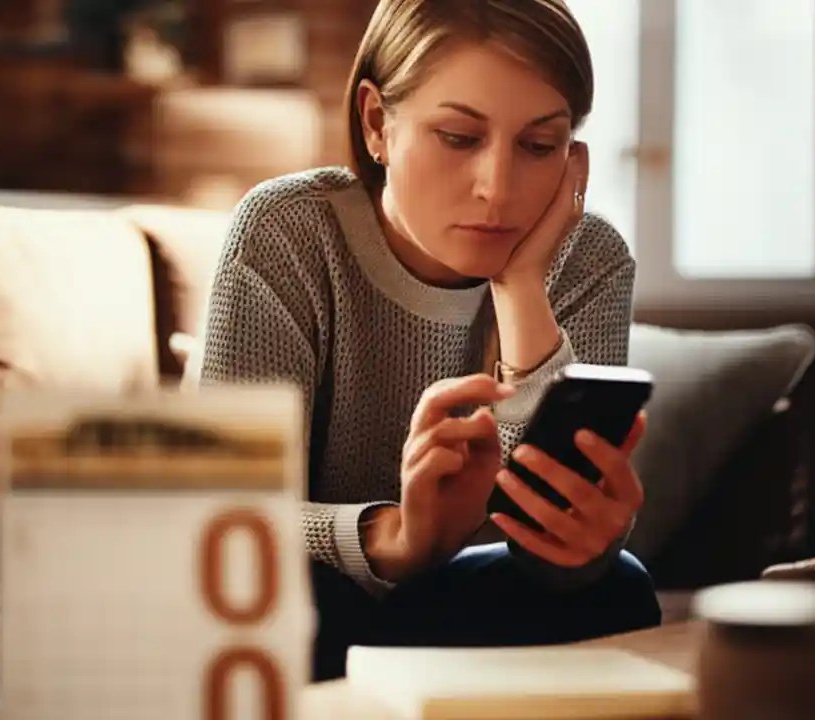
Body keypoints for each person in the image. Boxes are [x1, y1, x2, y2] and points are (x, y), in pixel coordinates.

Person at [195, 0, 661, 680]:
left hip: (461, 609)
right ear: (376, 123)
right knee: (293, 596)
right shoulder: (286, 231)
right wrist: (398, 537)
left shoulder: (591, 261)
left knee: (618, 585)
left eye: (538, 146)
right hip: (315, 601)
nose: (497, 189)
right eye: (459, 137)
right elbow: (220, 524)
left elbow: (546, 566)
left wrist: (520, 288)